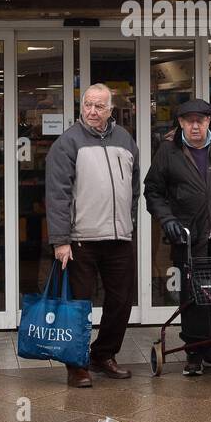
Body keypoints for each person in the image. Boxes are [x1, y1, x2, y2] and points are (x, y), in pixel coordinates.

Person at [143, 98, 211, 376]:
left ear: (208, 122)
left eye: (200, 121)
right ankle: (194, 351)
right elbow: (153, 190)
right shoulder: (169, 150)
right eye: (189, 121)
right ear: (180, 123)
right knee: (193, 295)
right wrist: (167, 219)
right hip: (188, 236)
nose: (195, 126)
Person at [45, 82, 139, 388]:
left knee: (121, 302)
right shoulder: (68, 142)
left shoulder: (125, 139)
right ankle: (77, 365)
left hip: (119, 237)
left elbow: (134, 186)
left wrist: (129, 218)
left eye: (99, 106)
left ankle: (103, 355)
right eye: (87, 104)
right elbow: (57, 195)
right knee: (78, 306)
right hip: (81, 239)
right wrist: (61, 240)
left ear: (110, 109)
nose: (92, 111)